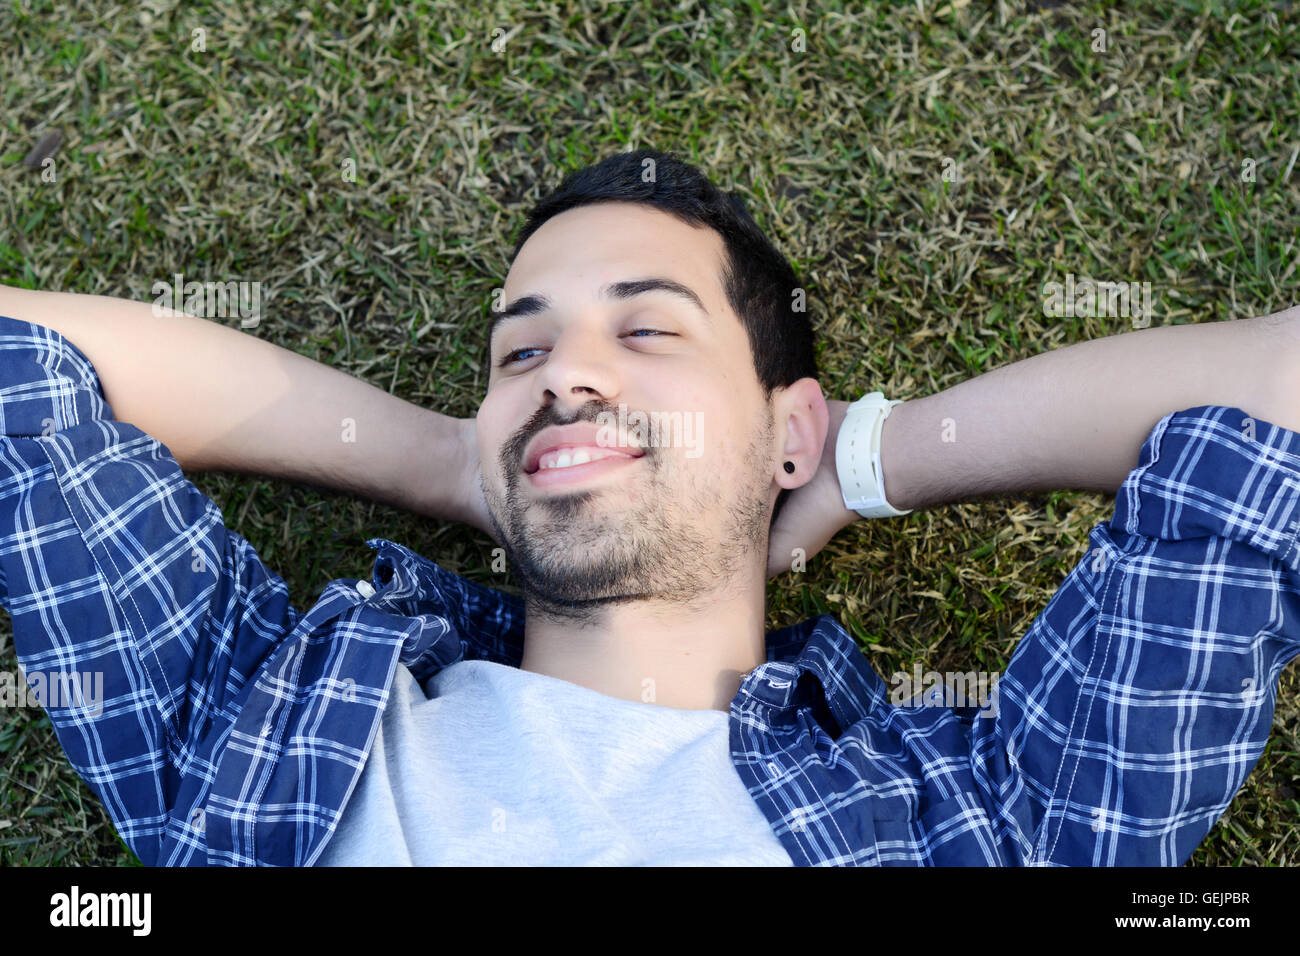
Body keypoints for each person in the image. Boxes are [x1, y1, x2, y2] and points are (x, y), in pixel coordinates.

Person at [1, 148, 1297, 866]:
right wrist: (462, 465)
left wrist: (869, 458)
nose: (567, 372)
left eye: (647, 330)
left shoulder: (987, 820)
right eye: (522, 353)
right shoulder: (258, 726)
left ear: (784, 423)